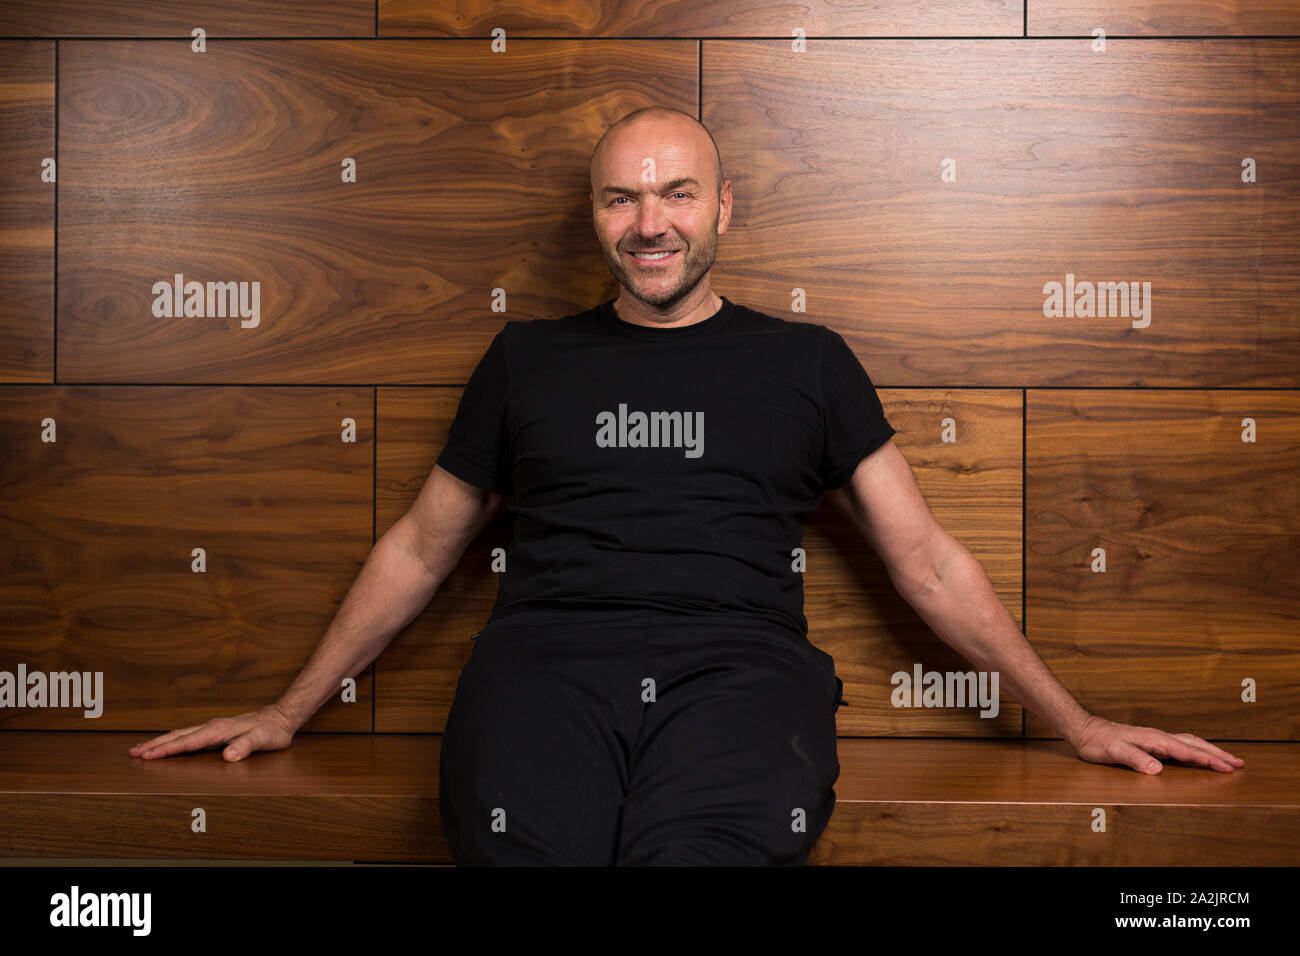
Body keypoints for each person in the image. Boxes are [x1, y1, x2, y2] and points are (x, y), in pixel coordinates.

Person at [129, 106, 1244, 865]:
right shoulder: (527, 361)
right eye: (620, 199)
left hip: (740, 671)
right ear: (597, 217)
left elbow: (929, 559)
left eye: (673, 194)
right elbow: (421, 547)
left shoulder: (807, 362)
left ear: (723, 209)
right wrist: (288, 706)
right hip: (546, 662)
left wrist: (1073, 718)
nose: (647, 222)